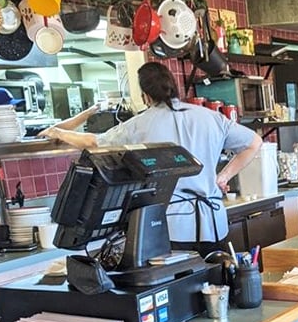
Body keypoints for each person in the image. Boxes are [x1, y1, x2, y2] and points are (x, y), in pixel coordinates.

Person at [38, 63, 262, 255]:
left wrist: (59, 133)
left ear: (145, 94)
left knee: (184, 293)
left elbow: (95, 143)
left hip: (172, 226)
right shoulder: (210, 117)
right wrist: (222, 177)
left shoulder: (140, 124)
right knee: (218, 287)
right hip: (214, 223)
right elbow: (254, 143)